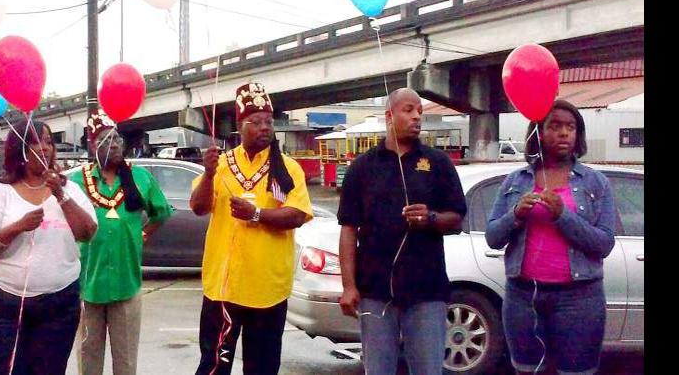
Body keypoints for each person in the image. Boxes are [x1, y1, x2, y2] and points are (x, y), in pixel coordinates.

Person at [337, 88, 467, 375]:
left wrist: (430, 218)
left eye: (419, 110)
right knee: (378, 369)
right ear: (389, 116)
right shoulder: (362, 167)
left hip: (427, 291)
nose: (417, 116)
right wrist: (349, 285)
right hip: (375, 291)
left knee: (427, 370)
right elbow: (348, 228)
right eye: (408, 110)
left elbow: (457, 219)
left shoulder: (438, 163)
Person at [190, 82, 313, 375]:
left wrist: (257, 214)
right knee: (213, 366)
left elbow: (297, 214)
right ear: (240, 126)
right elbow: (198, 206)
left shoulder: (288, 167)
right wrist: (208, 175)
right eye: (255, 122)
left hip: (268, 289)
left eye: (268, 121)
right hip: (224, 288)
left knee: (263, 368)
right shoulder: (220, 164)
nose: (264, 127)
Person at [486, 99, 617, 375]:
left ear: (578, 135)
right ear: (539, 132)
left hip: (579, 298)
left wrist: (562, 216)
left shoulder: (595, 182)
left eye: (571, 127)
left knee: (577, 371)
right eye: (555, 126)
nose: (564, 133)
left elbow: (604, 243)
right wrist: (516, 215)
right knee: (527, 370)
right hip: (523, 296)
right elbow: (493, 237)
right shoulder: (515, 181)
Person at [0, 119, 97, 375]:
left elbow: (87, 233)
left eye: (49, 142)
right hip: (1, 306)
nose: (45, 148)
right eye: (36, 141)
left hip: (58, 307)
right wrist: (17, 227)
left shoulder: (69, 189)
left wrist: (61, 195)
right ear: (21, 149)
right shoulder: (1, 193)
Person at [69, 111, 174, 375]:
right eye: (105, 139)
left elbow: (161, 212)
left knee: (126, 361)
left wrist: (143, 234)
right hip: (88, 286)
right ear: (93, 146)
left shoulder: (139, 178)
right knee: (88, 357)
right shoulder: (77, 182)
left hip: (127, 285)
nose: (114, 143)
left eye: (117, 138)